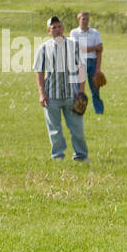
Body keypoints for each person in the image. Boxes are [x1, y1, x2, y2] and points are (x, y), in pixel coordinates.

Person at [33, 15, 88, 161]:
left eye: (59, 26)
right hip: (52, 97)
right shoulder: (44, 48)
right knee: (55, 131)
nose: (57, 29)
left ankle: (81, 156)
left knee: (78, 130)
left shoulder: (74, 45)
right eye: (53, 27)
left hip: (72, 95)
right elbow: (39, 71)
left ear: (63, 28)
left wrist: (81, 92)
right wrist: (41, 93)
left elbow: (81, 68)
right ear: (48, 31)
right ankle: (57, 156)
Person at [69, 11, 105, 115]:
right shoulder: (74, 33)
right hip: (80, 63)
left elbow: (100, 50)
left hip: (92, 62)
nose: (85, 21)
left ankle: (99, 112)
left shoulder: (95, 32)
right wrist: (94, 47)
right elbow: (78, 49)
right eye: (83, 19)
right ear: (78, 20)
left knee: (95, 88)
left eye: (87, 19)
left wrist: (98, 69)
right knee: (79, 89)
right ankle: (77, 109)